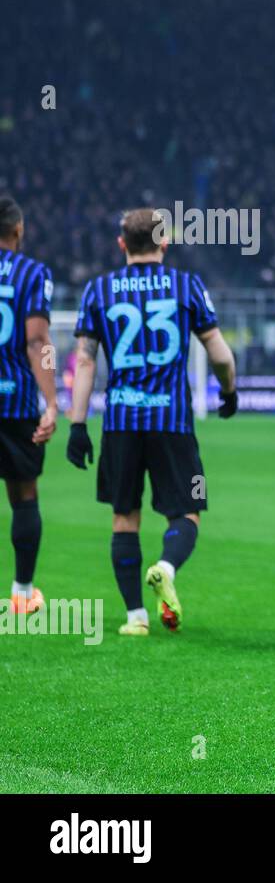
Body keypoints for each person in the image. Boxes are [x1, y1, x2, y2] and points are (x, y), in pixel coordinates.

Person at [67, 208, 238, 635]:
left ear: (122, 244)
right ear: (165, 242)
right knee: (190, 509)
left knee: (124, 517)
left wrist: (76, 425)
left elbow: (85, 362)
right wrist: (229, 390)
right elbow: (218, 352)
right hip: (173, 423)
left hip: (121, 422)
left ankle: (135, 618)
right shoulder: (187, 286)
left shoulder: (99, 290)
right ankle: (165, 566)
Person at [0, 197, 58, 616]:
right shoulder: (33, 274)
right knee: (23, 494)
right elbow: (39, 342)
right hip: (16, 401)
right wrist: (53, 401)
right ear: (18, 230)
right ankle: (21, 593)